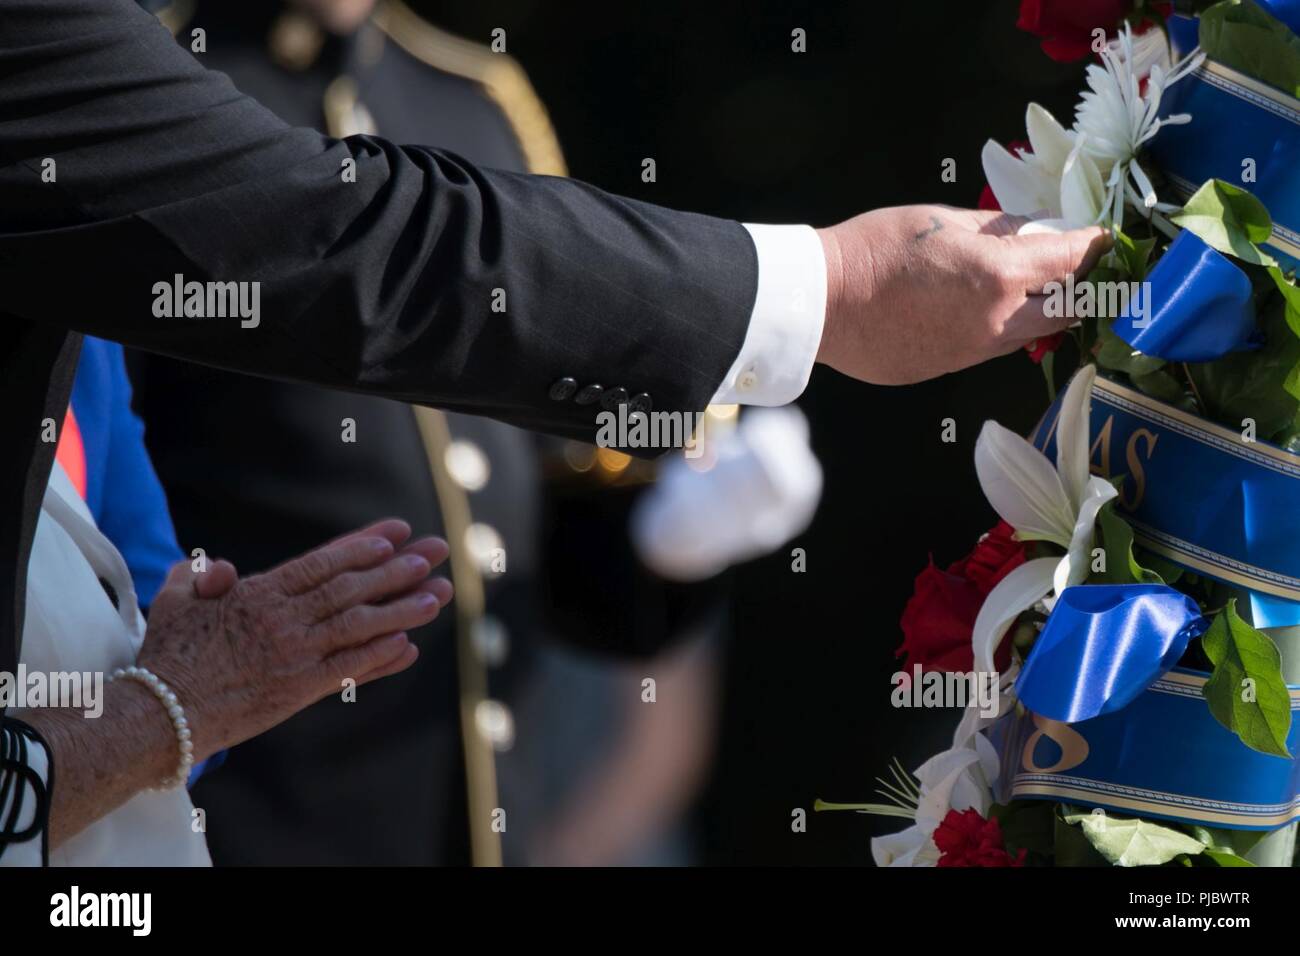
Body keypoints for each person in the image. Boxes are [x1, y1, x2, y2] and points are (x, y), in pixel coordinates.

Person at [0, 0, 1110, 862]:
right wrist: (828, 290)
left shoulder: (469, 97)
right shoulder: (158, 70)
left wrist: (662, 549)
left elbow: (543, 542)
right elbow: (339, 240)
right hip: (252, 820)